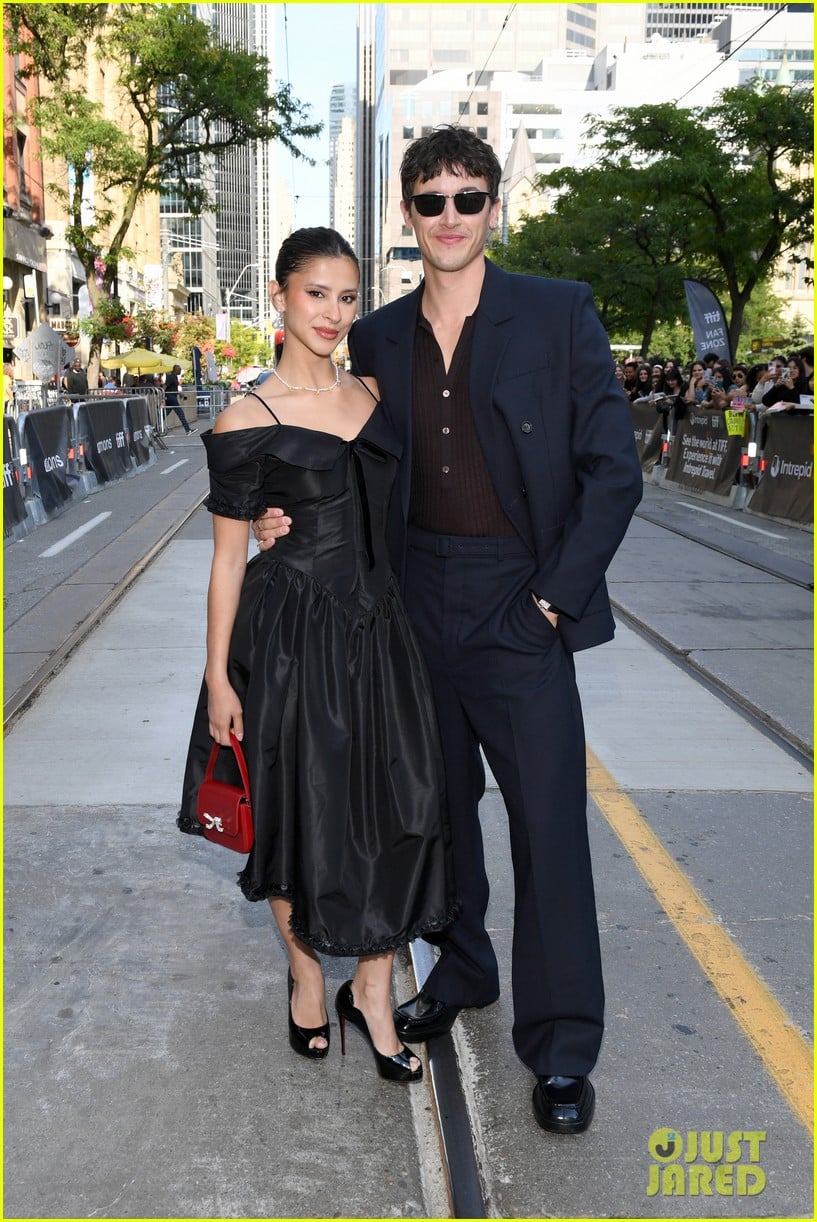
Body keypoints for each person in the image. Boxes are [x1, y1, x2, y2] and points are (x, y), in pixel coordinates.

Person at [254, 127, 643, 1134]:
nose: (451, 217)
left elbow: (614, 469)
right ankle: (462, 968)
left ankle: (560, 1045)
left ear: (493, 209)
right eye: (431, 201)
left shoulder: (557, 314)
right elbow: (316, 431)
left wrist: (553, 599)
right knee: (436, 812)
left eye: (468, 198)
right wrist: (276, 510)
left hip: (520, 598)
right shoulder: (377, 335)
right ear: (408, 213)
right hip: (409, 597)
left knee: (547, 826)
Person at [177, 227, 456, 1085]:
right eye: (315, 295)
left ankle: (372, 990)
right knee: (299, 818)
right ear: (278, 296)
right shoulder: (244, 420)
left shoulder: (375, 390)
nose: (333, 313)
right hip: (291, 641)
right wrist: (220, 675)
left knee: (399, 812)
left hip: (379, 631)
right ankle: (306, 973)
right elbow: (228, 561)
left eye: (345, 296)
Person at [163, 363, 196, 435]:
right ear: (176, 370)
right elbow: (165, 386)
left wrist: (181, 394)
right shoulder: (170, 377)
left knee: (164, 414)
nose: (181, 371)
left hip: (171, 397)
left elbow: (173, 389)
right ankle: (188, 430)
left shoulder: (174, 377)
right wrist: (162, 396)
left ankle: (156, 428)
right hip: (171, 398)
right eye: (179, 370)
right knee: (180, 413)